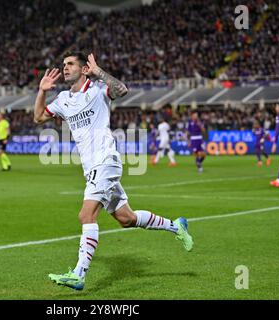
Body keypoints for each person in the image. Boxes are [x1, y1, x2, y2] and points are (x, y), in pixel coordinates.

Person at [33, 51, 193, 291]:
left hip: (105, 160)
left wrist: (99, 72)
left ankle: (79, 274)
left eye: (70, 64)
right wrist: (42, 91)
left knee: (86, 216)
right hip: (92, 167)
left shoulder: (98, 89)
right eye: (63, 65)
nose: (65, 68)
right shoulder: (63, 99)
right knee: (126, 219)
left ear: (83, 68)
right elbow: (37, 117)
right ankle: (176, 226)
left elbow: (122, 90)